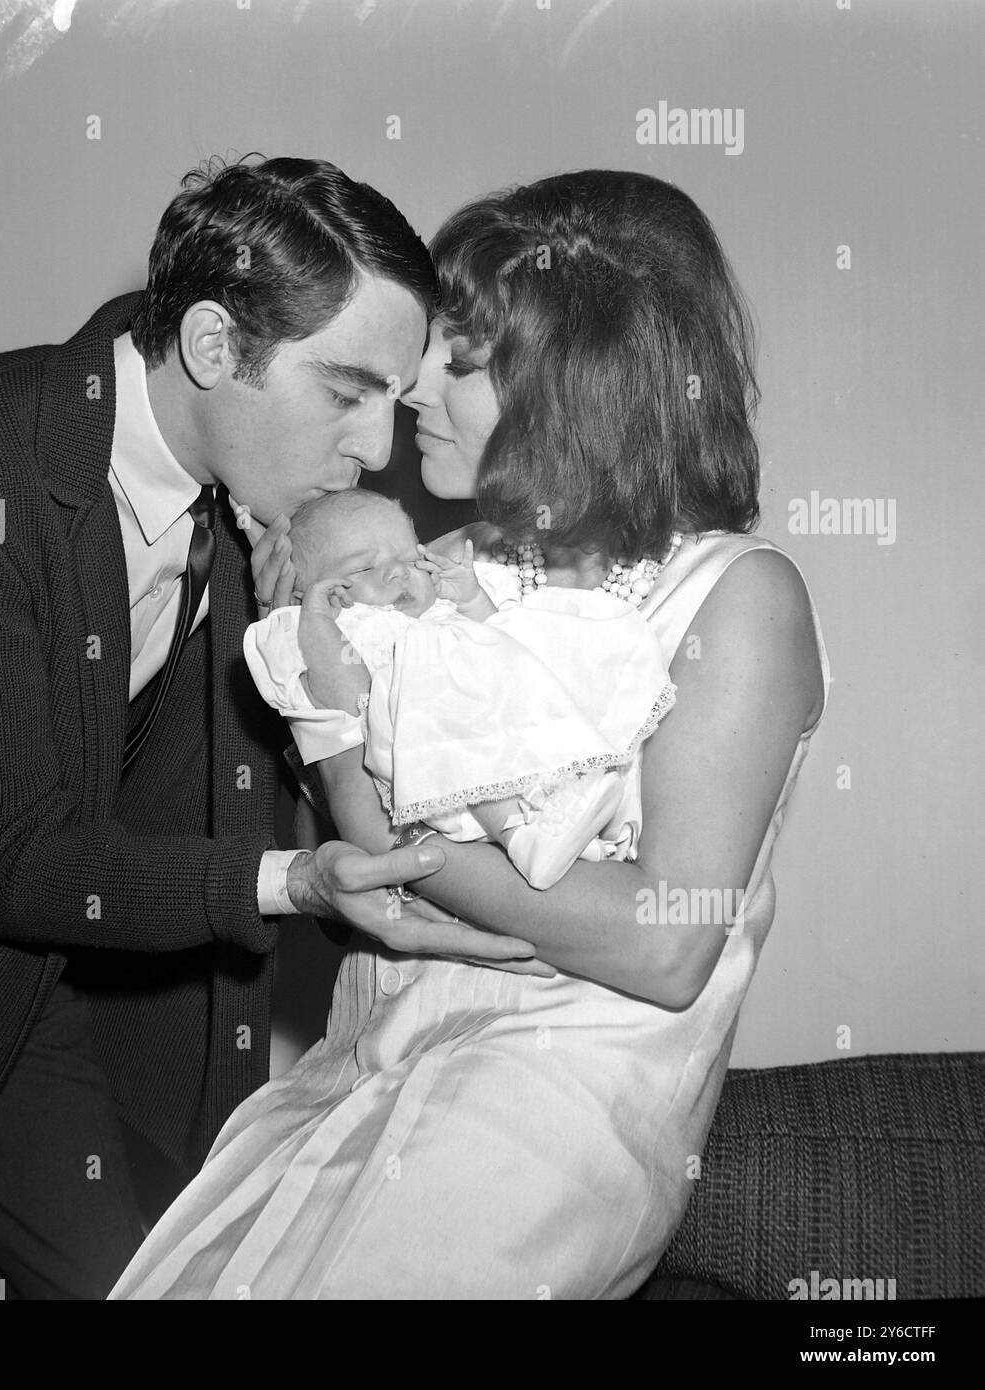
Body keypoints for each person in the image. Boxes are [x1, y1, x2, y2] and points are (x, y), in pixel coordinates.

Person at [0, 155, 539, 1300]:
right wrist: (296, 882)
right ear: (208, 348)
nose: (379, 450)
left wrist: (324, 640)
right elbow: (11, 854)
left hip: (39, 1010)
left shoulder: (248, 508)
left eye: (391, 404)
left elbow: (232, 792)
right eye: (344, 391)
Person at [109, 168, 829, 1301]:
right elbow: (363, 847)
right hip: (364, 1060)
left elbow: (661, 945)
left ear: (574, 380)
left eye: (459, 360)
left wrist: (436, 867)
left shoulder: (736, 599)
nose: (409, 398)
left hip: (552, 1103)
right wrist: (303, 633)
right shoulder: (418, 571)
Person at [243, 487, 676, 890]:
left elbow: (501, 645)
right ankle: (521, 837)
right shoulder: (348, 628)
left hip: (513, 733)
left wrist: (469, 600)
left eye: (412, 559)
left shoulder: (437, 607)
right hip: (438, 762)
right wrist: (312, 621)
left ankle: (582, 823)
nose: (398, 573)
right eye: (364, 568)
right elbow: (343, 696)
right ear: (318, 592)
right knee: (454, 716)